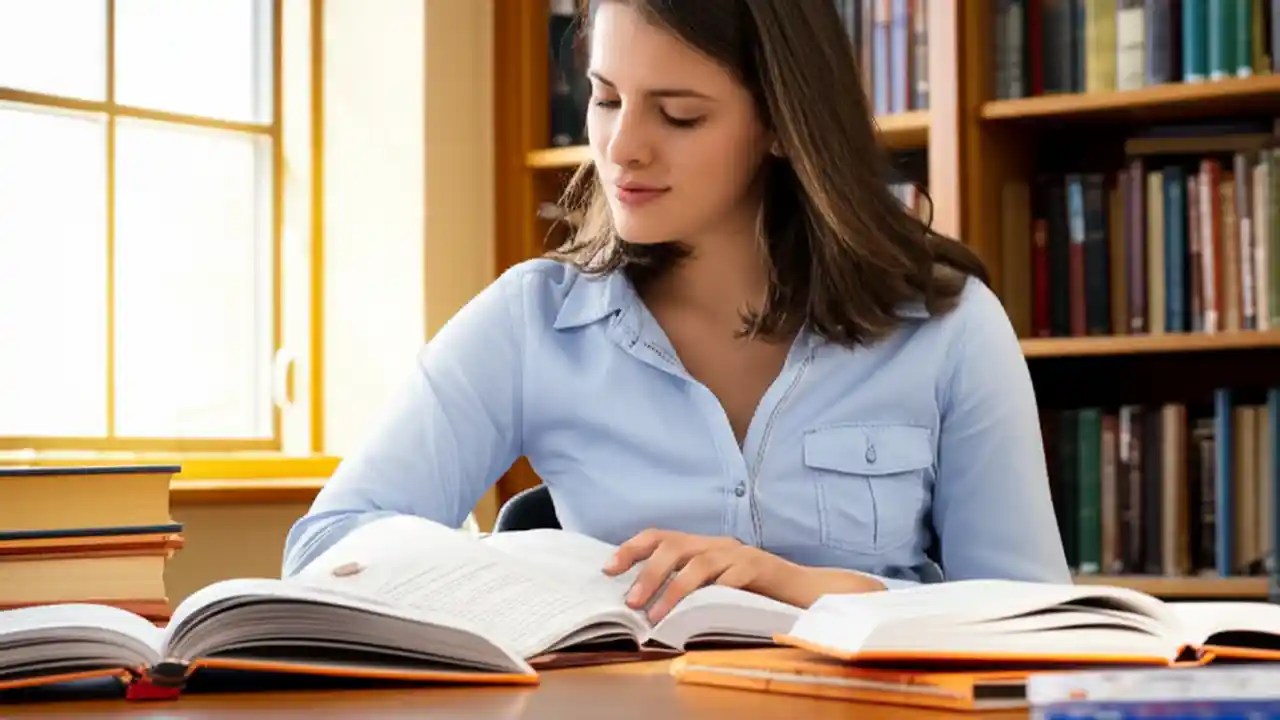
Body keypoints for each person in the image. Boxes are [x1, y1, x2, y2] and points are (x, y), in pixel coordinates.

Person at [282, 0, 1070, 623]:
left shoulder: (947, 326)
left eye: (679, 113)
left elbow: (1035, 620)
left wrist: (797, 586)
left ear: (781, 127)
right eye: (605, 98)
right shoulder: (529, 322)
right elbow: (325, 549)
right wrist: (530, 577)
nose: (622, 146)